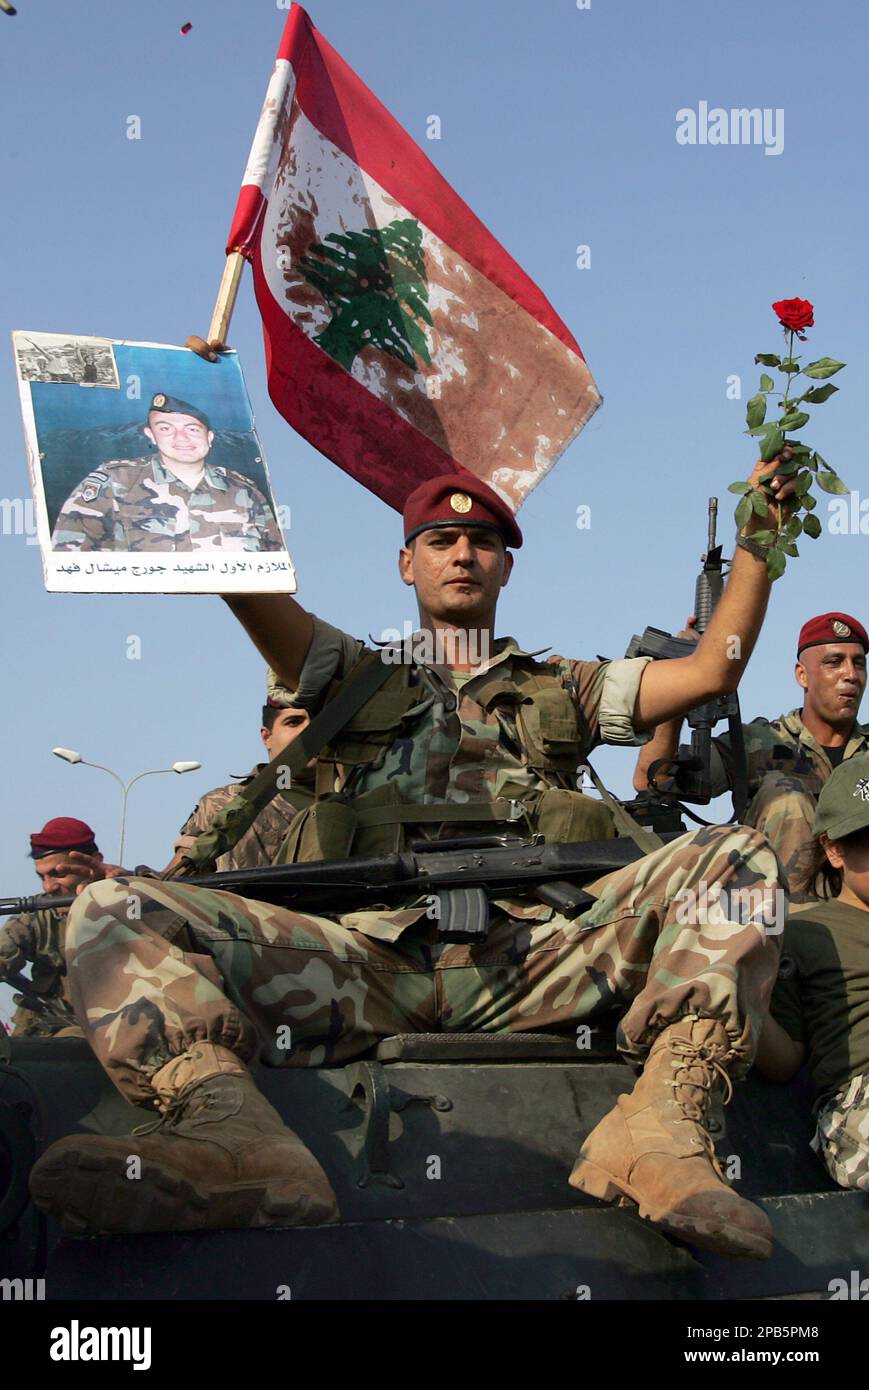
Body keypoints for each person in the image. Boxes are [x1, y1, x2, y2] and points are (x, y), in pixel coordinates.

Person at [30, 458, 795, 1260]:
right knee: (114, 906)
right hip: (363, 966)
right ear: (406, 562)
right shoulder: (350, 676)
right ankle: (232, 1136)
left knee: (734, 855)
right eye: (440, 540)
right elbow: (249, 590)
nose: (462, 554)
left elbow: (712, 669)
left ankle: (663, 1131)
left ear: (506, 566)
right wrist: (202, 484)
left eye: (481, 541)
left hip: (533, 959)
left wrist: (757, 545)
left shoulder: (563, 687)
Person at [634, 612, 869, 898]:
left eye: (859, 664)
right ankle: (796, 923)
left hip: (860, 907)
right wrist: (683, 677)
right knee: (786, 796)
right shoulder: (759, 742)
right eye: (834, 662)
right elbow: (653, 781)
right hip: (783, 913)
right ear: (802, 675)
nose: (850, 675)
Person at [754, 755, 869, 1190]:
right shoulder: (805, 933)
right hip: (859, 1100)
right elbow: (784, 1062)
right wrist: (741, 992)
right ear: (834, 849)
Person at [50, 393, 284, 553]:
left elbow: (274, 566)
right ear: (150, 435)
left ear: (210, 437)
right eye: (165, 428)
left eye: (192, 429)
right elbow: (67, 555)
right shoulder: (114, 482)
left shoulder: (245, 492)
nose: (181, 438)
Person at [165, 698, 315, 874]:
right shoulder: (222, 802)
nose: (309, 730)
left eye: (319, 722)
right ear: (267, 737)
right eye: (294, 722)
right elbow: (178, 876)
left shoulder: (343, 798)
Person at [0, 818, 108, 1037]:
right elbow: (6, 948)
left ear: (93, 863)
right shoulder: (37, 914)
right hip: (45, 1034)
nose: (48, 887)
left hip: (112, 1034)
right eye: (42, 877)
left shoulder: (128, 907)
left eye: (59, 874)